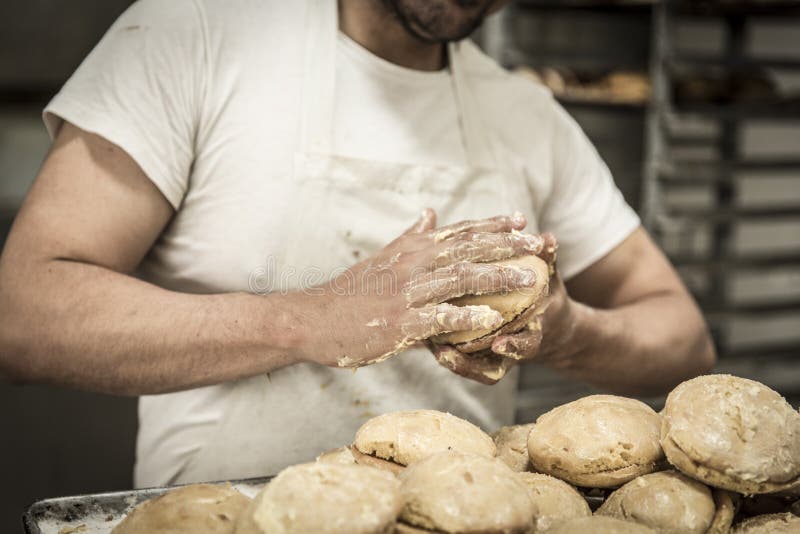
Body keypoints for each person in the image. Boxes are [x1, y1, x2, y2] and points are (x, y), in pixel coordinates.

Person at [0, 0, 714, 487]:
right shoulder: (193, 37)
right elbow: (25, 313)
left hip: (462, 516)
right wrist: (307, 319)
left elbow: (683, 339)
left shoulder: (526, 116)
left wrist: (567, 332)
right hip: (226, 516)